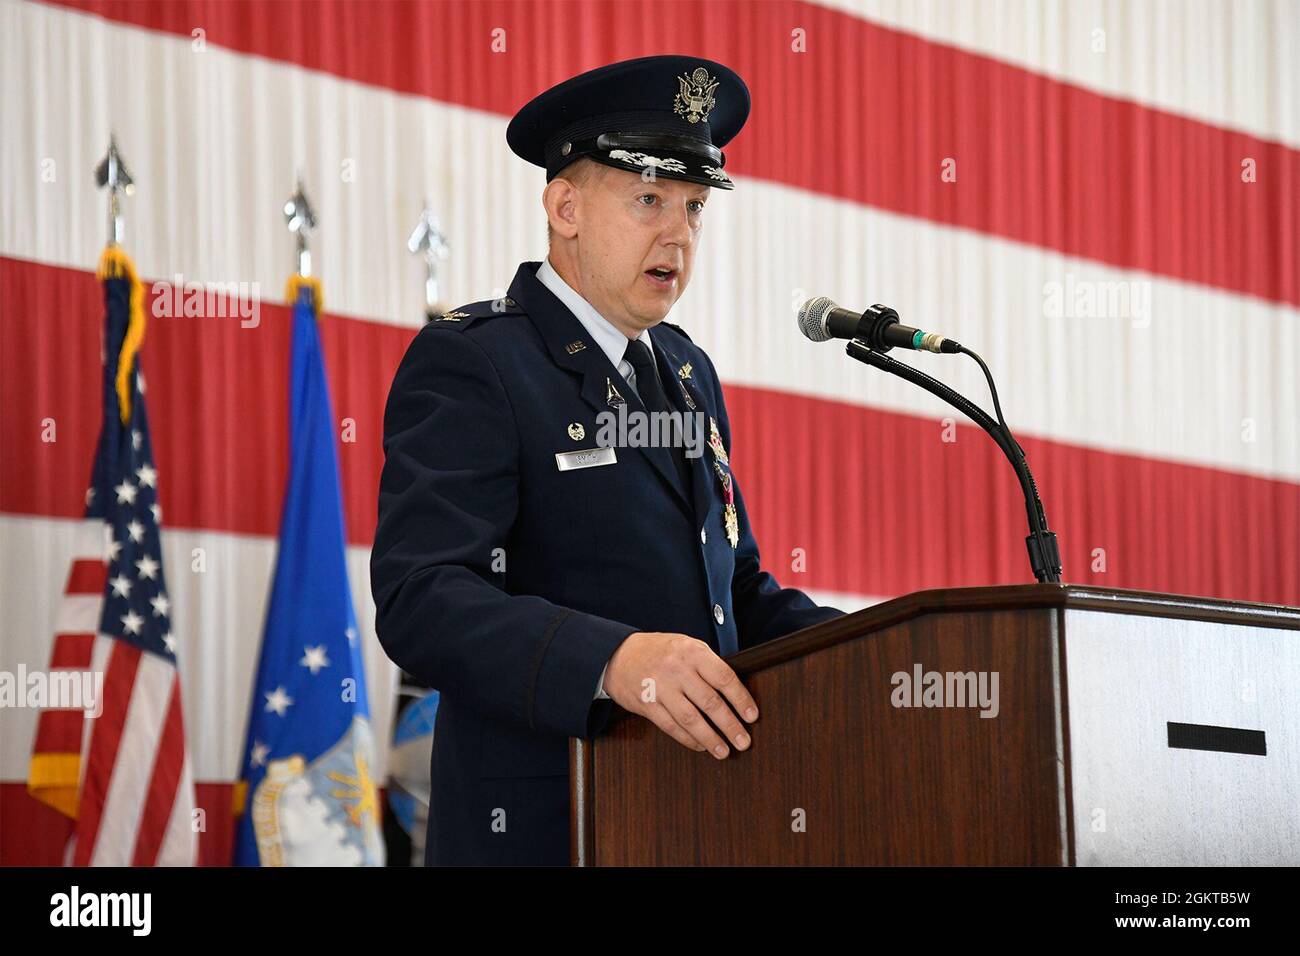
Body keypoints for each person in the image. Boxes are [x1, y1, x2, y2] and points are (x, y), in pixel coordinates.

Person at [371, 55, 843, 866]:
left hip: (694, 823)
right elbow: (422, 597)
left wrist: (884, 653)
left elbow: (735, 591)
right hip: (546, 830)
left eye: (695, 206)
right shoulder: (479, 363)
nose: (680, 234)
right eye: (650, 199)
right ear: (565, 207)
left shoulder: (688, 376)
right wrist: (613, 662)